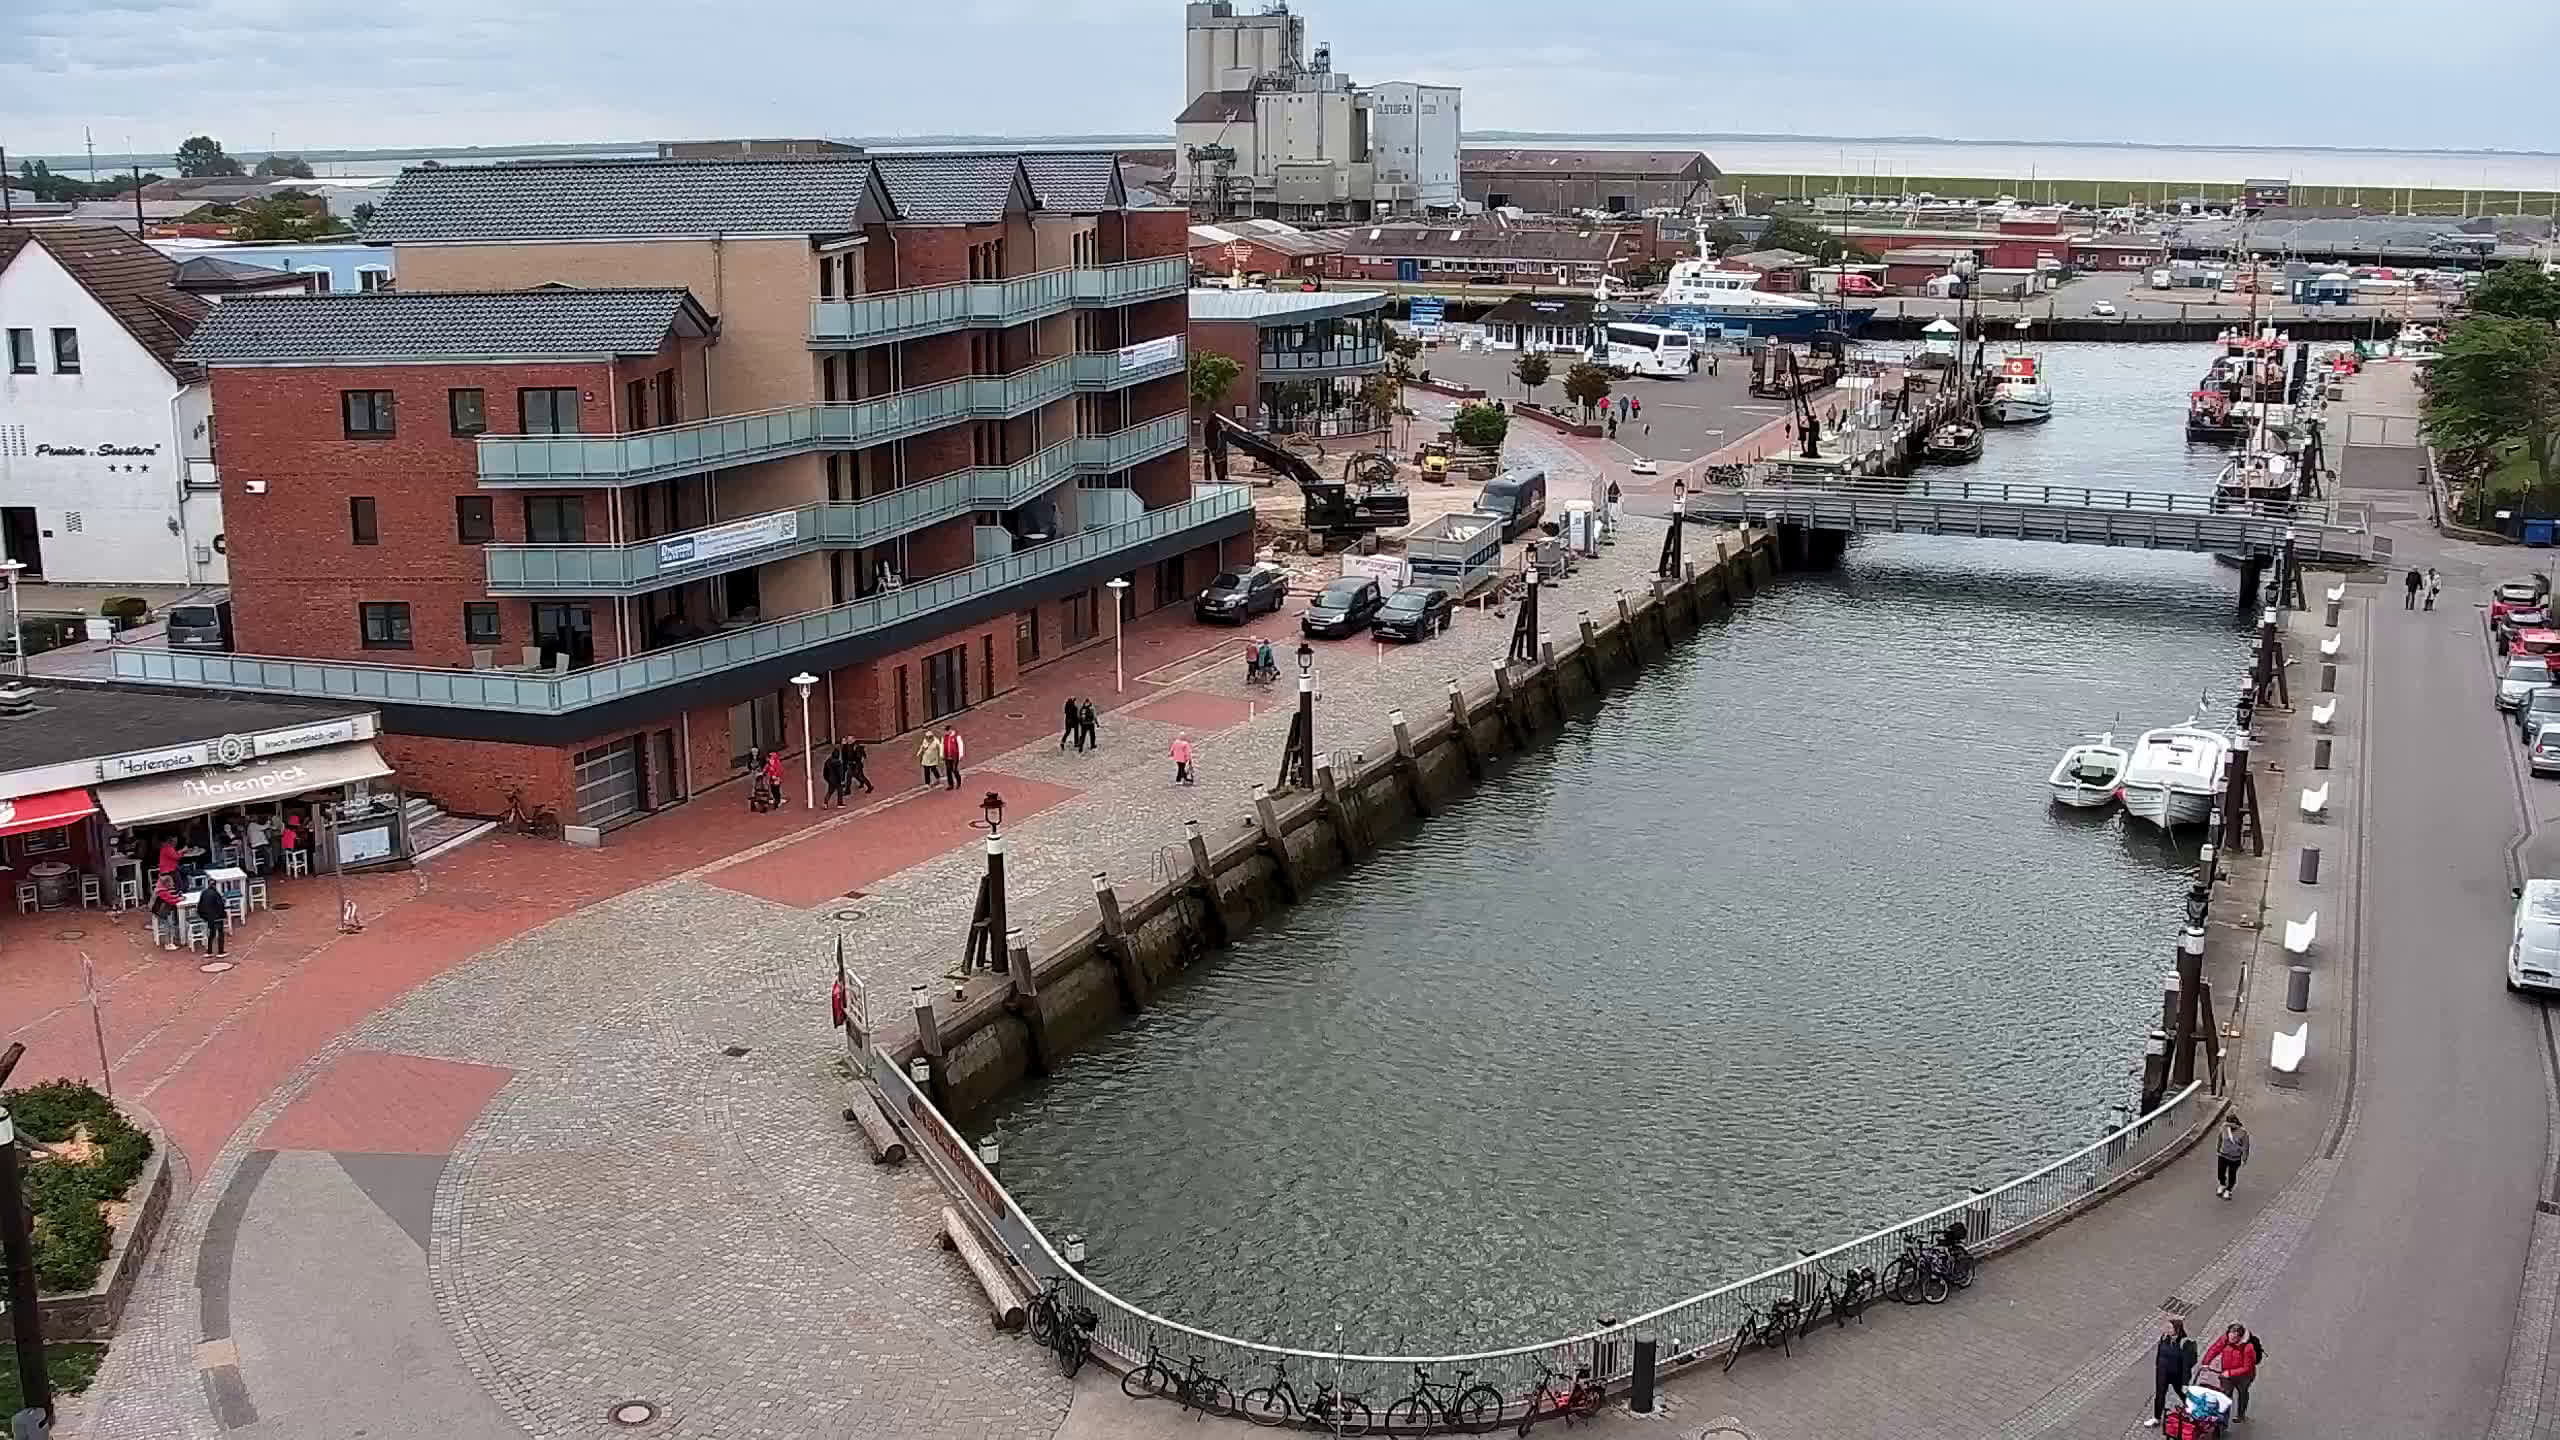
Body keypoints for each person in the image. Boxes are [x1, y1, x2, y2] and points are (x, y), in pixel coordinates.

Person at [2201, 1323, 2262, 1421]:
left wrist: (2229, 1373)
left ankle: (2241, 1415)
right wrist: (2206, 1362)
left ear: (2239, 1337)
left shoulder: (2248, 1348)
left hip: (2244, 1377)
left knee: (2242, 1393)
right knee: (2225, 1396)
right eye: (2229, 1336)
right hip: (2227, 1375)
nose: (2230, 1340)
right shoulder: (2226, 1337)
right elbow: (2215, 1348)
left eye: (2233, 1338)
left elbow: (2247, 1368)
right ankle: (2223, 1421)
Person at [2145, 1317, 2196, 1427]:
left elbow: (2186, 1365)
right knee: (2159, 1395)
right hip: (2163, 1373)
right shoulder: (2164, 1338)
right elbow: (2160, 1353)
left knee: (2182, 1394)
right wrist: (2158, 1366)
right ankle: (2156, 1418)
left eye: (2169, 1327)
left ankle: (2193, 1412)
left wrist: (2185, 1383)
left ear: (2177, 1329)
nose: (2166, 1329)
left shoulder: (2185, 1343)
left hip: (2177, 1375)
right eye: (2166, 1326)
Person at [2215, 1114, 2251, 1199]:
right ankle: (2222, 1184)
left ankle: (2229, 1190)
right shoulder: (2224, 1127)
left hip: (2235, 1158)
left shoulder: (2243, 1132)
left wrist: (2244, 1159)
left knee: (2232, 1174)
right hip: (2223, 1155)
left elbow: (2246, 1147)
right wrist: (2218, 1148)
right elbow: (2220, 1138)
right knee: (2220, 1172)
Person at [196, 882, 229, 958]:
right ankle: (221, 951)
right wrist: (224, 915)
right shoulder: (216, 893)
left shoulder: (204, 893)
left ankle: (209, 951)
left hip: (208, 917)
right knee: (220, 933)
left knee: (212, 933)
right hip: (217, 916)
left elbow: (200, 906)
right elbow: (220, 905)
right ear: (215, 885)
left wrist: (203, 916)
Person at [151, 875, 183, 951]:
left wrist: (177, 896)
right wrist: (179, 899)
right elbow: (170, 901)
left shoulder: (162, 889)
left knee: (169, 925)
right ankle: (168, 944)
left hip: (161, 911)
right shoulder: (162, 891)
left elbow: (170, 897)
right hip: (161, 912)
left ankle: (169, 943)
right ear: (167, 883)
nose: (172, 884)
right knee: (168, 926)